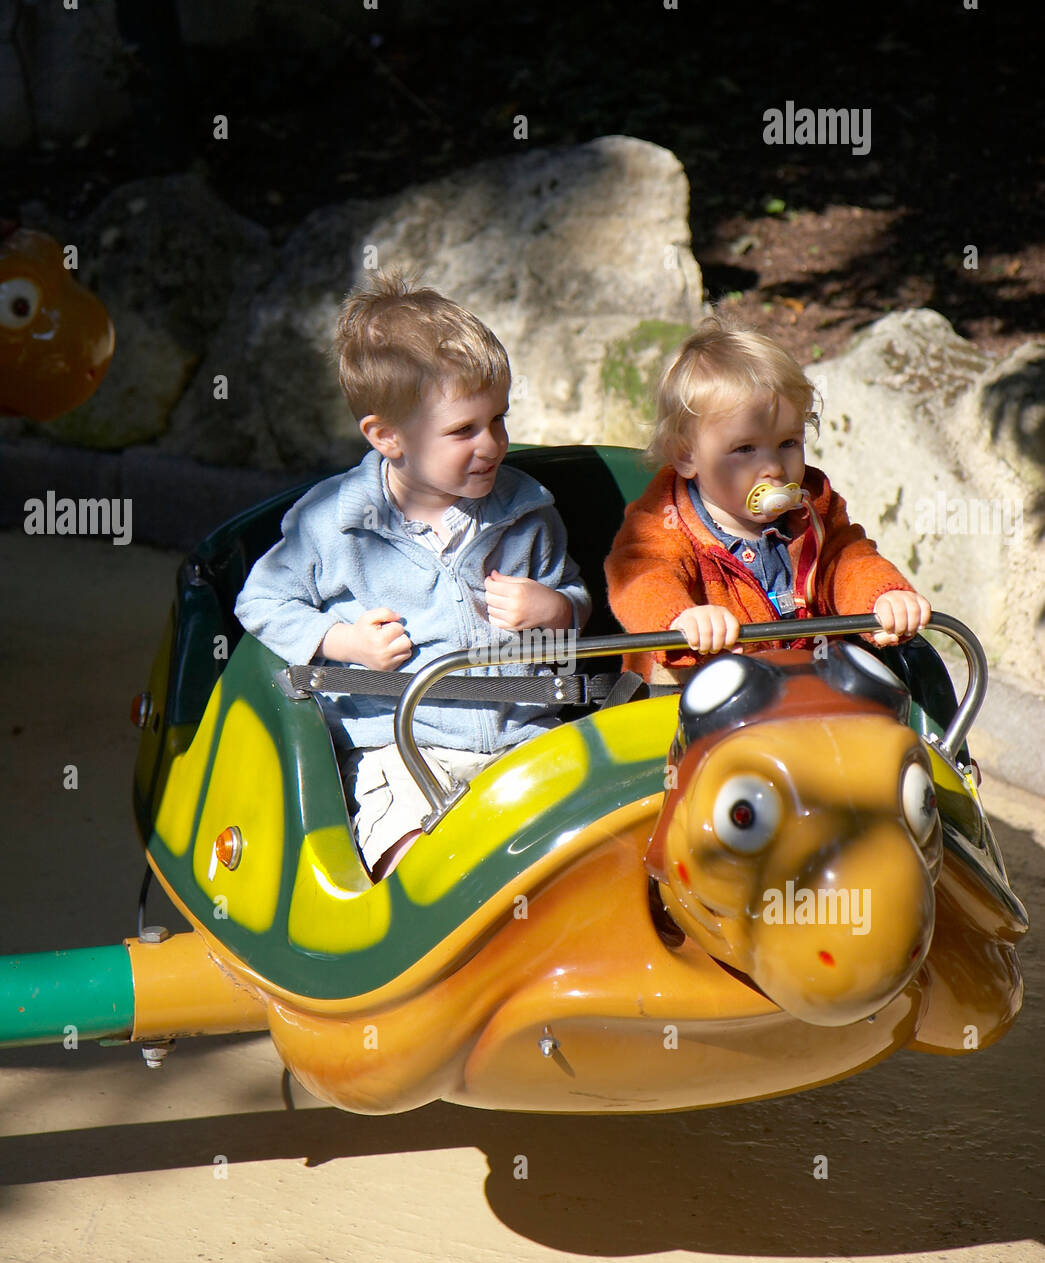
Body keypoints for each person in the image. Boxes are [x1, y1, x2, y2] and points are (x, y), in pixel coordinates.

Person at [235, 269, 590, 878]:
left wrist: (555, 610)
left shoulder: (526, 511)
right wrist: (342, 643)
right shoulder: (335, 525)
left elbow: (576, 600)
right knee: (419, 870)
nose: (494, 445)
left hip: (522, 736)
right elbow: (261, 602)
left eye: (499, 419)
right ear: (386, 436)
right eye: (463, 431)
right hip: (397, 745)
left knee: (581, 850)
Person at [604, 312, 931, 683]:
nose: (773, 467)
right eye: (745, 449)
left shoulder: (812, 509)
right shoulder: (664, 523)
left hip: (804, 690)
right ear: (686, 455)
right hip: (698, 703)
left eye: (788, 443)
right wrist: (681, 617)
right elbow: (640, 577)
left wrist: (883, 597)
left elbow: (849, 559)